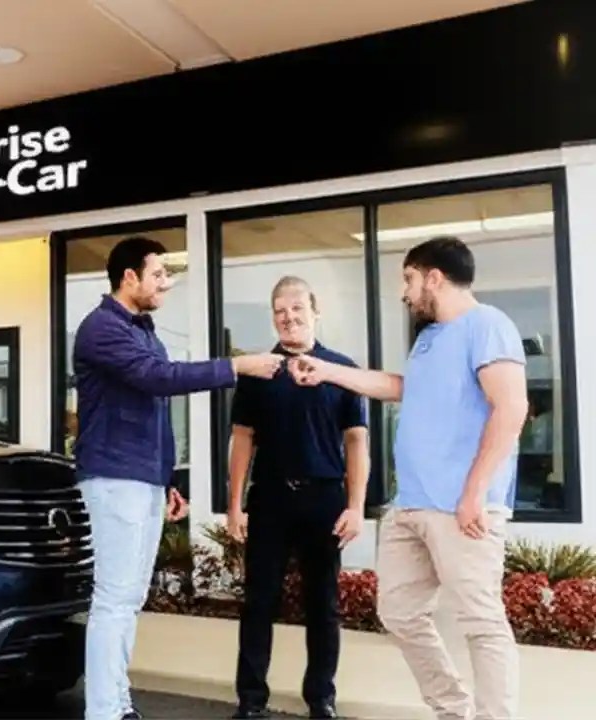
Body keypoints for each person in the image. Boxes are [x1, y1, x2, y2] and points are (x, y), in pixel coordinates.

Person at [288, 236, 528, 720]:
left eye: (409, 279)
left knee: (482, 623)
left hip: (463, 507)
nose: (405, 291)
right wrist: (328, 372)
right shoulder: (429, 338)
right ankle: (454, 709)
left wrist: (474, 492)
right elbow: (400, 387)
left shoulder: (489, 326)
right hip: (412, 504)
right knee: (398, 610)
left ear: (434, 277)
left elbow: (512, 407)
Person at [72, 235, 284, 720]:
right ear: (130, 277)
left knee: (128, 599)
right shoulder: (102, 328)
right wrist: (238, 365)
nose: (167, 282)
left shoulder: (143, 329)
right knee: (113, 599)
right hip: (113, 476)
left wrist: (167, 481)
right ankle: (103, 711)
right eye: (159, 274)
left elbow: (154, 407)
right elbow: (160, 379)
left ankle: (117, 703)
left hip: (141, 478)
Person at [226, 277, 369, 720]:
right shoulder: (258, 372)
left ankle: (321, 698)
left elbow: (357, 442)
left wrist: (357, 505)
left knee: (322, 604)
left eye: (297, 310)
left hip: (325, 499)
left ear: (315, 311)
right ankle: (251, 701)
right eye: (280, 312)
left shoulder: (340, 370)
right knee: (258, 601)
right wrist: (234, 505)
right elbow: (242, 440)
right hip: (269, 499)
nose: (289, 318)